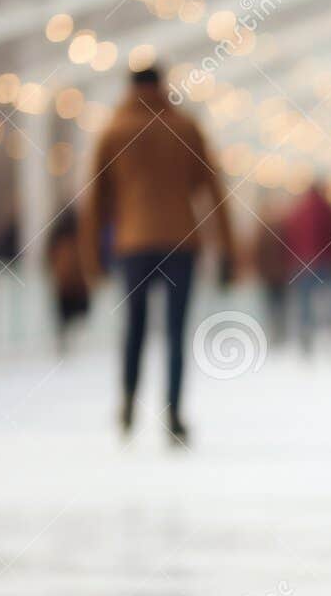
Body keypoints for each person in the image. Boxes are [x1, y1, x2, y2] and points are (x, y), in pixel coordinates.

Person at [80, 65, 233, 444]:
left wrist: (90, 258)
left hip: (132, 245)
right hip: (182, 241)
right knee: (177, 332)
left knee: (134, 327)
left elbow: (95, 201)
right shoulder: (185, 128)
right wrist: (226, 246)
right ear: (163, 86)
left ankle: (129, 401)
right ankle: (175, 414)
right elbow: (213, 190)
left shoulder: (114, 131)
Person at [286, 182, 331, 355]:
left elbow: (290, 240)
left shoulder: (297, 211)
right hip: (327, 264)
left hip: (303, 265)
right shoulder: (329, 209)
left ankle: (306, 342)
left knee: (306, 306)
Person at [45, 206, 91, 355]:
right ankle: (71, 341)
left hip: (65, 283)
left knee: (65, 315)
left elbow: (49, 256)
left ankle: (67, 340)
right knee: (76, 314)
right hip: (76, 283)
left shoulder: (58, 237)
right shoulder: (79, 236)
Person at [253, 202, 294, 349]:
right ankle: (279, 333)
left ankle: (279, 333)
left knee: (275, 306)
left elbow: (258, 254)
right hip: (276, 275)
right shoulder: (280, 230)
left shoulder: (264, 231)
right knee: (277, 305)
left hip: (275, 275)